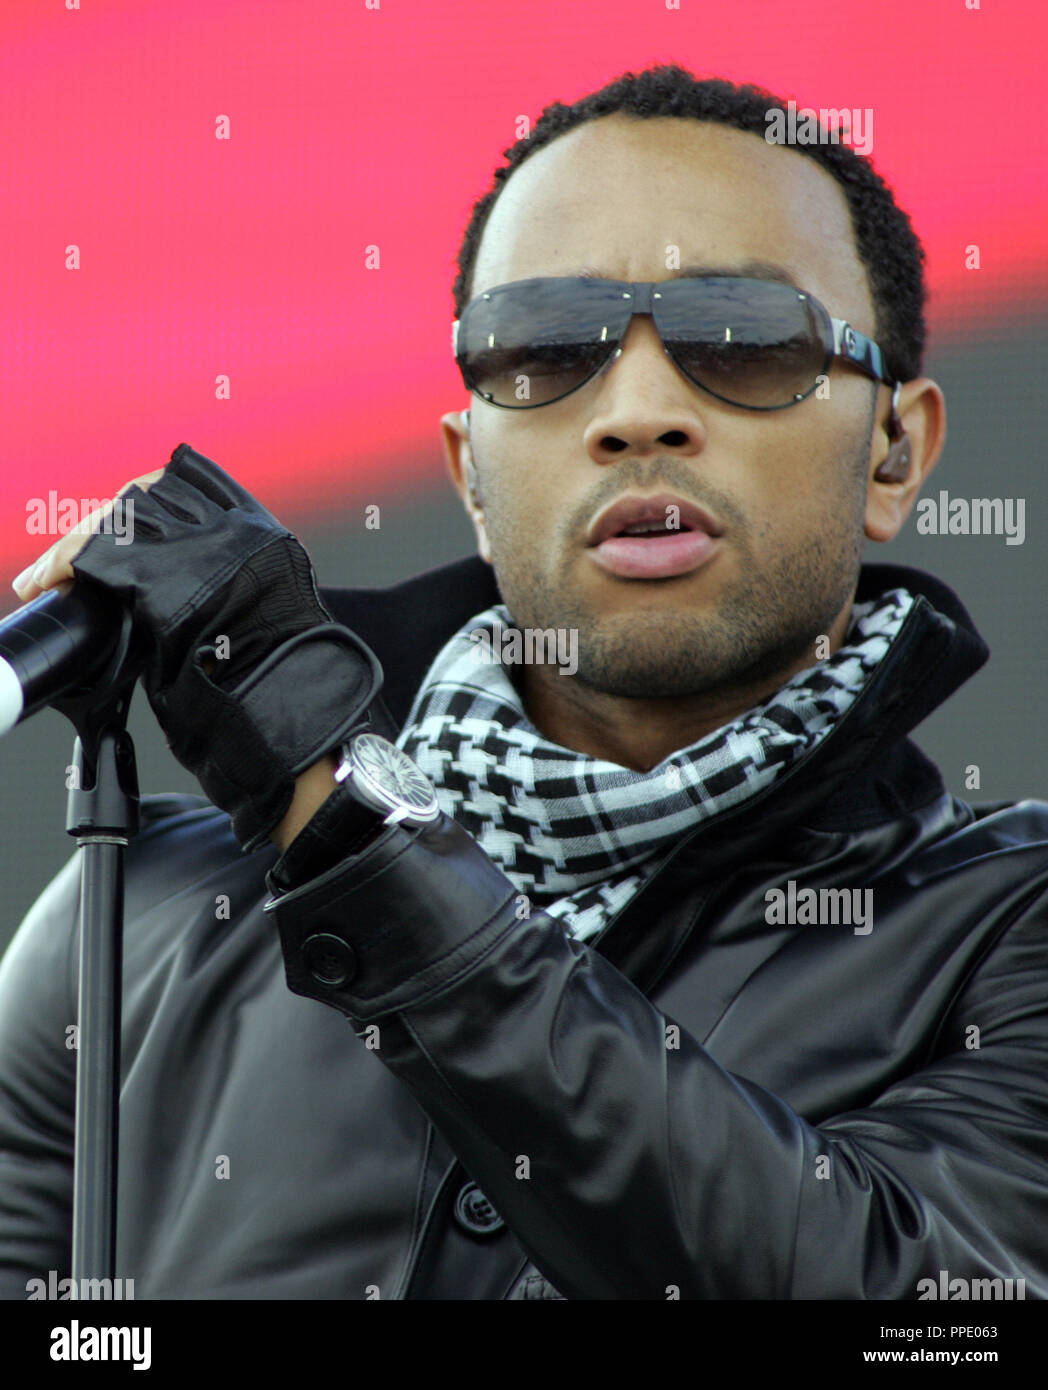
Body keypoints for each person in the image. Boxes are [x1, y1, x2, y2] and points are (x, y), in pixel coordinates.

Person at [1, 63, 1047, 1303]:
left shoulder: (1008, 925)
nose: (641, 411)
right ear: (469, 476)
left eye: (748, 342)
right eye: (546, 348)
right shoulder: (131, 910)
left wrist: (334, 808)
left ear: (896, 449)